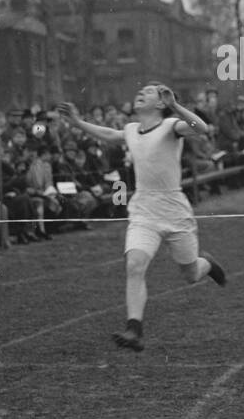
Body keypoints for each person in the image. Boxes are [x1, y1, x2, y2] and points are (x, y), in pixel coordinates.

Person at [57, 82, 228, 353]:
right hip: (143, 209)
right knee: (135, 264)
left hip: (174, 210)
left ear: (160, 103)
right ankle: (134, 329)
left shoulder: (171, 125)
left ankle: (207, 264)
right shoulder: (131, 130)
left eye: (148, 92)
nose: (140, 93)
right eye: (140, 90)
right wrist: (77, 122)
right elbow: (108, 133)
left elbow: (201, 128)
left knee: (191, 274)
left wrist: (175, 106)